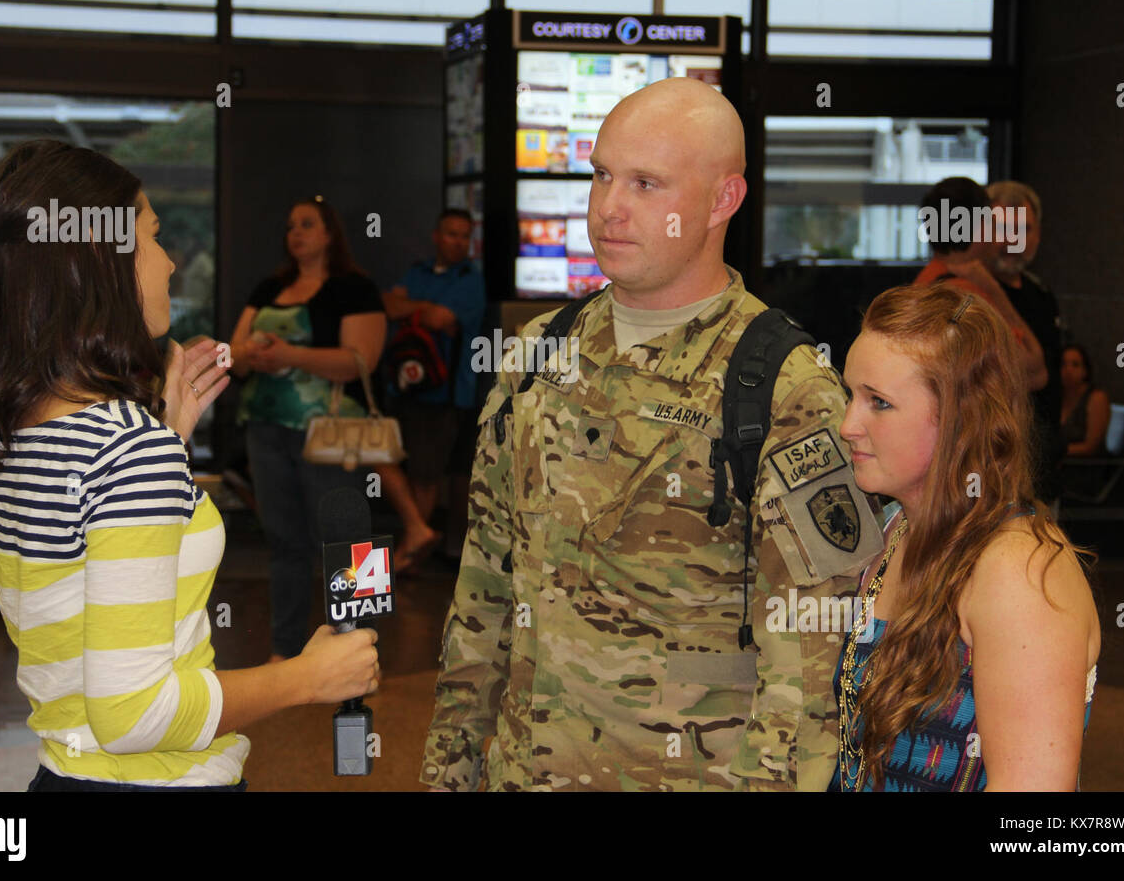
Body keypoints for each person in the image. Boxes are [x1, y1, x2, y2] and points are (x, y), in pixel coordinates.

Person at [421, 78, 885, 792]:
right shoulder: (538, 356)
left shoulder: (784, 390)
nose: (609, 207)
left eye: (646, 183)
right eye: (602, 175)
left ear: (722, 201)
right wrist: (450, 772)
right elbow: (484, 593)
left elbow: (813, 660)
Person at [0, 140, 379, 790]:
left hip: (64, 773)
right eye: (153, 237)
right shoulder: (125, 450)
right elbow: (136, 715)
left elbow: (80, 573)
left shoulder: (4, 428)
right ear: (101, 258)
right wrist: (306, 678)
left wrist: (167, 436)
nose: (170, 261)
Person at [834, 284, 1099, 791]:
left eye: (879, 403)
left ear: (960, 419)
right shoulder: (894, 529)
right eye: (852, 394)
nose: (849, 424)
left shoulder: (1018, 570)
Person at [229, 196, 437, 662]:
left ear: (329, 234)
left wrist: (289, 356)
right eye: (289, 226)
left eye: (306, 224)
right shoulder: (268, 287)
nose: (295, 233)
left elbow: (360, 361)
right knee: (283, 543)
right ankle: (285, 653)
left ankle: (360, 654)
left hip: (330, 434)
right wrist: (249, 354)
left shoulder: (354, 288)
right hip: (266, 427)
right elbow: (234, 354)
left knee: (350, 546)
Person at [382, 208, 486, 562]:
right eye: (451, 233)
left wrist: (412, 307)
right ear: (436, 236)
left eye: (464, 235)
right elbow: (388, 305)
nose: (457, 241)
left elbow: (439, 317)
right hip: (404, 389)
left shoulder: (471, 280)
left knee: (426, 474)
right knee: (401, 464)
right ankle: (417, 538)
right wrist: (422, 308)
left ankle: (412, 554)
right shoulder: (418, 270)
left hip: (445, 394)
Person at [914, 177, 1048, 392]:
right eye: (993, 222)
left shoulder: (924, 281)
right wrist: (994, 291)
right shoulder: (967, 294)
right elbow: (1035, 372)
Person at [988, 180, 1066, 501]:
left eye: (1024, 228)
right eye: (1002, 227)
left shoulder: (1041, 294)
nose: (1012, 240)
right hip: (994, 462)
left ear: (1037, 234)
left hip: (1045, 457)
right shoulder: (967, 292)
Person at [1060, 344, 1111, 457]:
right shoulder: (1057, 397)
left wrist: (1055, 452)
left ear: (1085, 370)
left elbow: (1091, 447)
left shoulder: (1096, 398)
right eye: (1063, 364)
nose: (1068, 370)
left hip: (1086, 465)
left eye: (1075, 365)